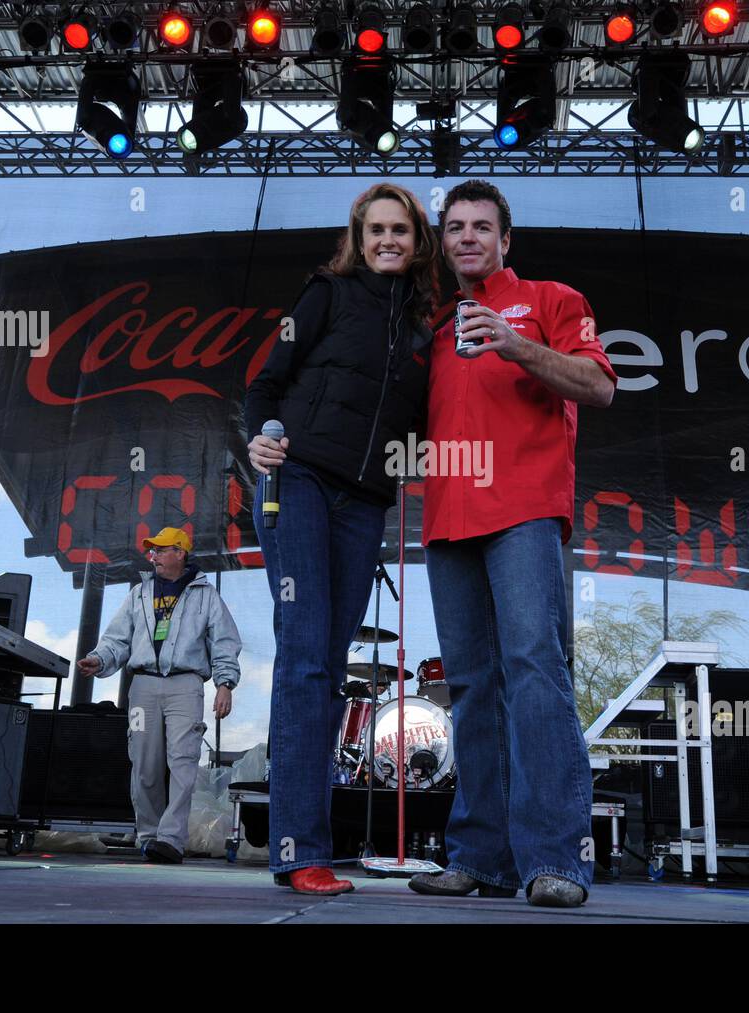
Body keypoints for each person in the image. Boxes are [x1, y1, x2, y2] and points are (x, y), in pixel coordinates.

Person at [408, 180, 617, 908]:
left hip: (525, 510)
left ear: (506, 239)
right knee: (470, 689)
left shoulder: (553, 299)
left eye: (481, 226)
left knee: (535, 671)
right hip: (446, 521)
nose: (467, 236)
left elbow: (598, 385)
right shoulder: (432, 326)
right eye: (455, 226)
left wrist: (516, 342)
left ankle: (557, 858)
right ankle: (481, 858)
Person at [245, 183, 439, 895]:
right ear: (357, 237)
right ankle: (299, 849)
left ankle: (308, 841)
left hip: (364, 502)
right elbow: (264, 385)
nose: (388, 240)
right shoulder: (326, 293)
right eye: (375, 229)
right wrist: (259, 442)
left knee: (329, 663)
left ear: (418, 242)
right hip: (295, 480)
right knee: (303, 657)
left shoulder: (427, 326)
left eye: (401, 230)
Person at [77, 527, 242, 864]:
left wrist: (224, 684)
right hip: (143, 688)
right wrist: (100, 658)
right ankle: (149, 837)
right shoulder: (139, 593)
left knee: (182, 762)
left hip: (186, 685)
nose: (152, 556)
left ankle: (170, 840)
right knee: (144, 764)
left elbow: (224, 642)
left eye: (160, 550)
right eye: (151, 551)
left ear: (180, 552)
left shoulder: (206, 595)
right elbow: (118, 639)